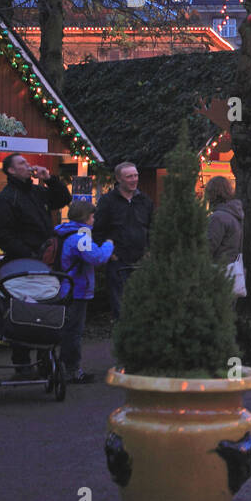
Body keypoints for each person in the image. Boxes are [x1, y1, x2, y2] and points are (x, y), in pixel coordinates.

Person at [0, 154, 72, 373]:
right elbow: (1, 235)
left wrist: (50, 179)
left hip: (45, 264)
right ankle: (22, 362)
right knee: (22, 311)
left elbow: (63, 199)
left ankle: (45, 359)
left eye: (28, 163)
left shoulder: (37, 192)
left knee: (46, 310)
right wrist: (29, 253)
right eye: (22, 164)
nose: (28, 167)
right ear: (10, 171)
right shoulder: (7, 198)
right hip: (22, 264)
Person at [53, 201, 114, 383]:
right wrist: (109, 245)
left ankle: (59, 367)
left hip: (62, 287)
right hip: (76, 290)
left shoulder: (62, 231)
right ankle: (72, 370)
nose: (94, 219)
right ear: (87, 217)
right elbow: (97, 257)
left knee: (65, 330)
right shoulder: (80, 237)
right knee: (74, 332)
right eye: (93, 216)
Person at [93, 161, 154, 322]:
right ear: (119, 179)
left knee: (142, 304)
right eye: (129, 177)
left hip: (141, 260)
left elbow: (152, 227)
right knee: (120, 307)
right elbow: (98, 230)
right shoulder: (108, 202)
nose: (134, 179)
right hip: (118, 261)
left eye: (135, 175)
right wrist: (110, 255)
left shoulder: (145, 201)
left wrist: (150, 250)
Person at [205, 176, 242, 266]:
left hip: (218, 270)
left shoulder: (218, 218)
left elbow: (207, 248)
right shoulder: (235, 214)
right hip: (232, 268)